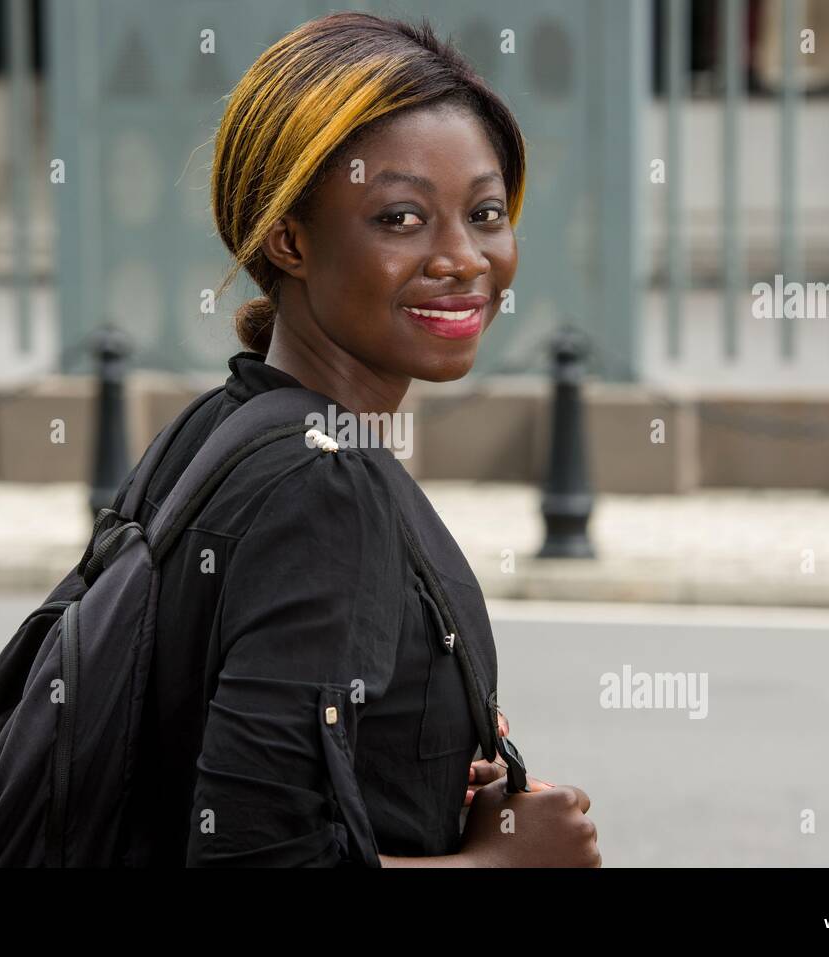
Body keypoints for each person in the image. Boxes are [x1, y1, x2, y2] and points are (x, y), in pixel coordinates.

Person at [129, 11, 600, 867]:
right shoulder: (321, 490)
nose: (464, 258)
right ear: (290, 238)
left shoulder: (218, 425)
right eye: (401, 219)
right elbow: (250, 859)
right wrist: (500, 865)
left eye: (486, 212)